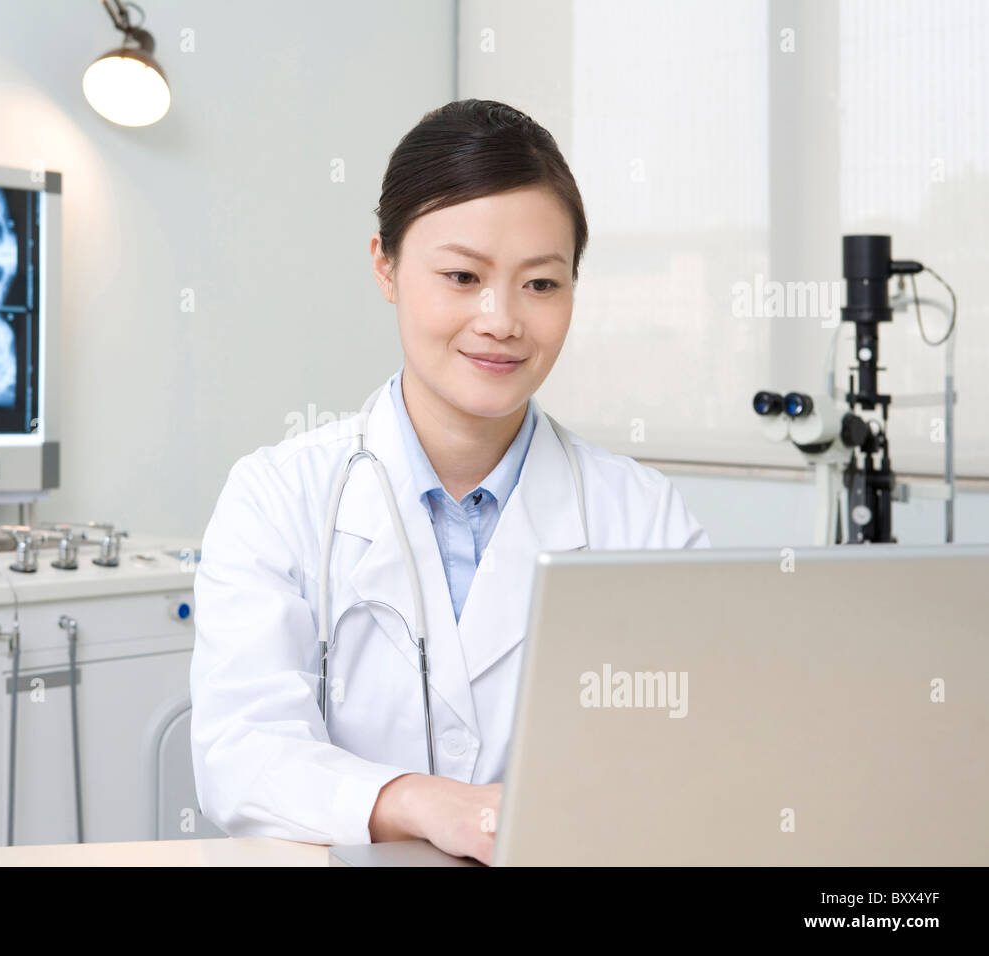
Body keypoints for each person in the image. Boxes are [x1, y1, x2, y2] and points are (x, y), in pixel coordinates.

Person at [189, 99, 711, 865]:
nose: (501, 320)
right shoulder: (278, 496)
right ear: (386, 266)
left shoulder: (641, 516)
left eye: (541, 284)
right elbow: (241, 754)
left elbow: (695, 751)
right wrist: (423, 804)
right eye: (463, 276)